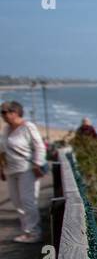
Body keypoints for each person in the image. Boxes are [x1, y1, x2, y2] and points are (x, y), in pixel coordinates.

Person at [0, 100, 47, 243]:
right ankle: (26, 231)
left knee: (28, 201)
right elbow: (2, 150)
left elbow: (39, 146)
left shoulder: (28, 127)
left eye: (5, 112)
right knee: (17, 202)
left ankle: (34, 232)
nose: (3, 116)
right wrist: (1, 168)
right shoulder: (6, 130)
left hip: (27, 169)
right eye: (1, 113)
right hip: (10, 170)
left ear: (15, 112)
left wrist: (37, 164)